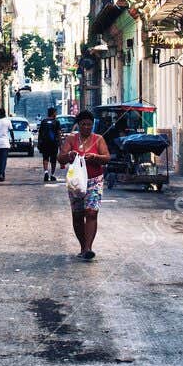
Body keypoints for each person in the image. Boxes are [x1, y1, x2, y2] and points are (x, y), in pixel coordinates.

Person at [57, 109, 110, 260]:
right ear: (78, 125)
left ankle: (88, 248)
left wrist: (95, 157)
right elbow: (60, 158)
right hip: (76, 183)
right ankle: (82, 246)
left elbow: (106, 158)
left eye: (89, 124)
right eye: (83, 124)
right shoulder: (71, 139)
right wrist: (69, 155)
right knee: (78, 214)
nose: (87, 127)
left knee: (92, 212)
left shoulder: (98, 139)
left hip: (94, 180)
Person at [35, 107, 62, 183]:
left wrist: (39, 143)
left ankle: (46, 172)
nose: (56, 114)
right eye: (55, 113)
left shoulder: (43, 121)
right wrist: (60, 144)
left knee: (45, 158)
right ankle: (52, 175)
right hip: (54, 143)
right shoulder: (56, 122)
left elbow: (40, 133)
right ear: (53, 113)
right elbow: (59, 134)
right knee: (53, 160)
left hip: (45, 143)